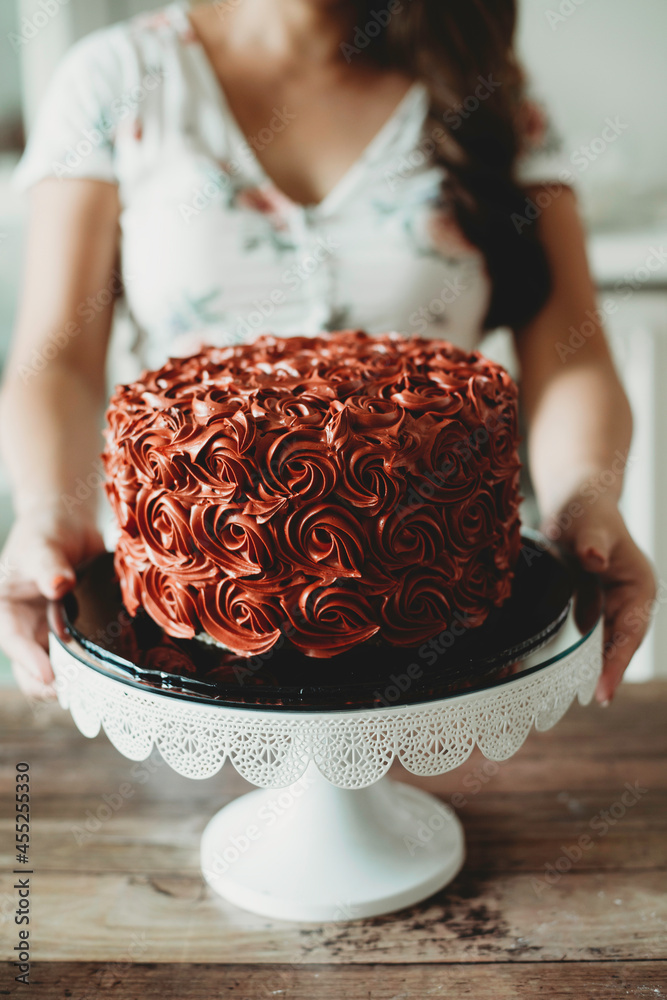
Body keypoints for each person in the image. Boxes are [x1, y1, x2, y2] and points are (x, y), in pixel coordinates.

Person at [0, 0, 655, 702]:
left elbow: (570, 350)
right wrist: (47, 507)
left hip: (443, 636)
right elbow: (60, 357)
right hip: (191, 634)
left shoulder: (483, 85)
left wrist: (583, 493)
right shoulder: (117, 77)